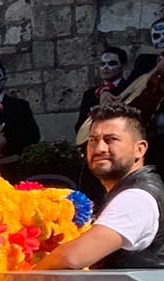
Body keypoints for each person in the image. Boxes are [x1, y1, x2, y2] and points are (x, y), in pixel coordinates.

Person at [34, 103, 164, 270]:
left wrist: (23, 280)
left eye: (111, 140)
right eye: (93, 140)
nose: (100, 148)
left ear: (139, 149)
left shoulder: (137, 197)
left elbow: (72, 258)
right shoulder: (128, 192)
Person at [0, 61, 41, 165]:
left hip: (12, 163)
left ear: (4, 81)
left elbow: (34, 135)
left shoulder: (20, 106)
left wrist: (8, 140)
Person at [76, 47, 128, 132]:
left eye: (112, 63)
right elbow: (80, 126)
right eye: (103, 64)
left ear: (123, 66)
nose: (106, 67)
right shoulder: (89, 94)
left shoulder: (129, 88)